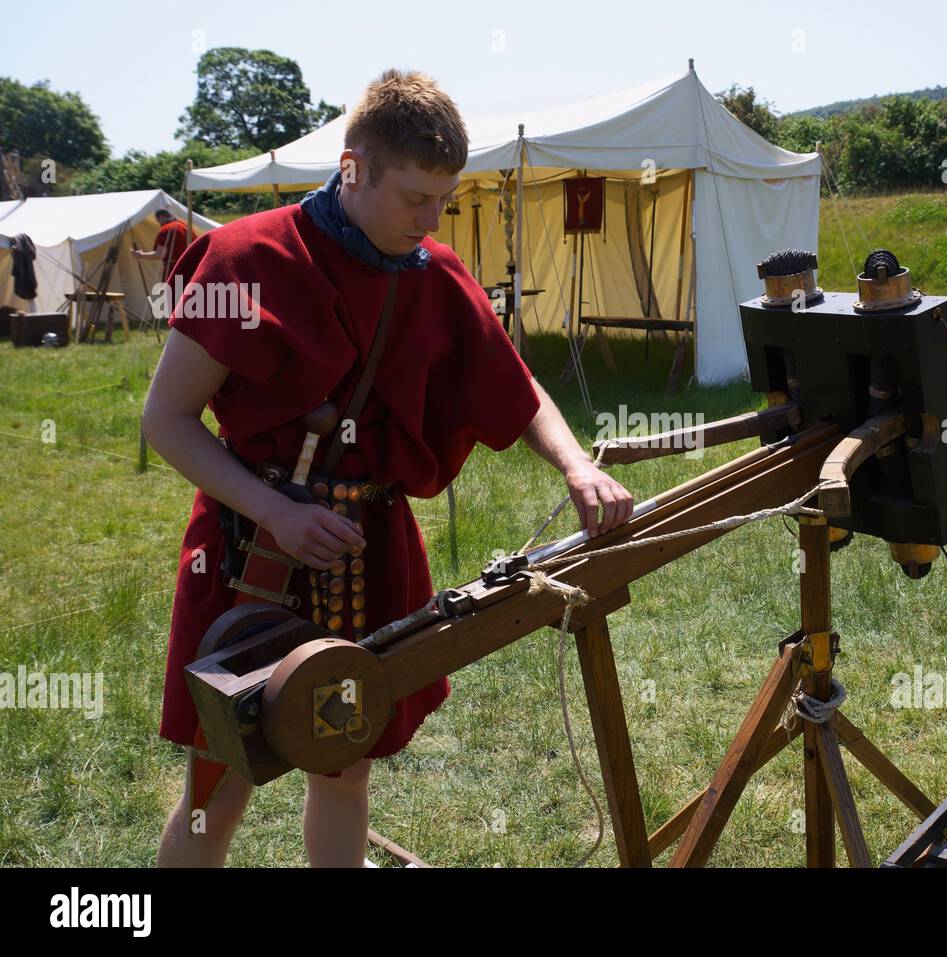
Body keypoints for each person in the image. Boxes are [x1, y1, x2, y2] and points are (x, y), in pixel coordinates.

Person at [143, 69, 634, 867]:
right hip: (249, 559)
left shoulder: (433, 274)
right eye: (414, 198)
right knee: (218, 784)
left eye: (442, 197)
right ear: (352, 168)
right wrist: (279, 515)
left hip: (365, 560)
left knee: (344, 766)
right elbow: (165, 422)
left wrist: (577, 465)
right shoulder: (243, 258)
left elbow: (516, 385)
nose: (431, 218)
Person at [132, 209, 191, 280]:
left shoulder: (166, 229)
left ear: (161, 217)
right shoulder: (186, 226)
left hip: (175, 270)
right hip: (191, 268)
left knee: (174, 291)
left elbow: (160, 254)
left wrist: (141, 255)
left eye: (159, 221)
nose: (160, 224)